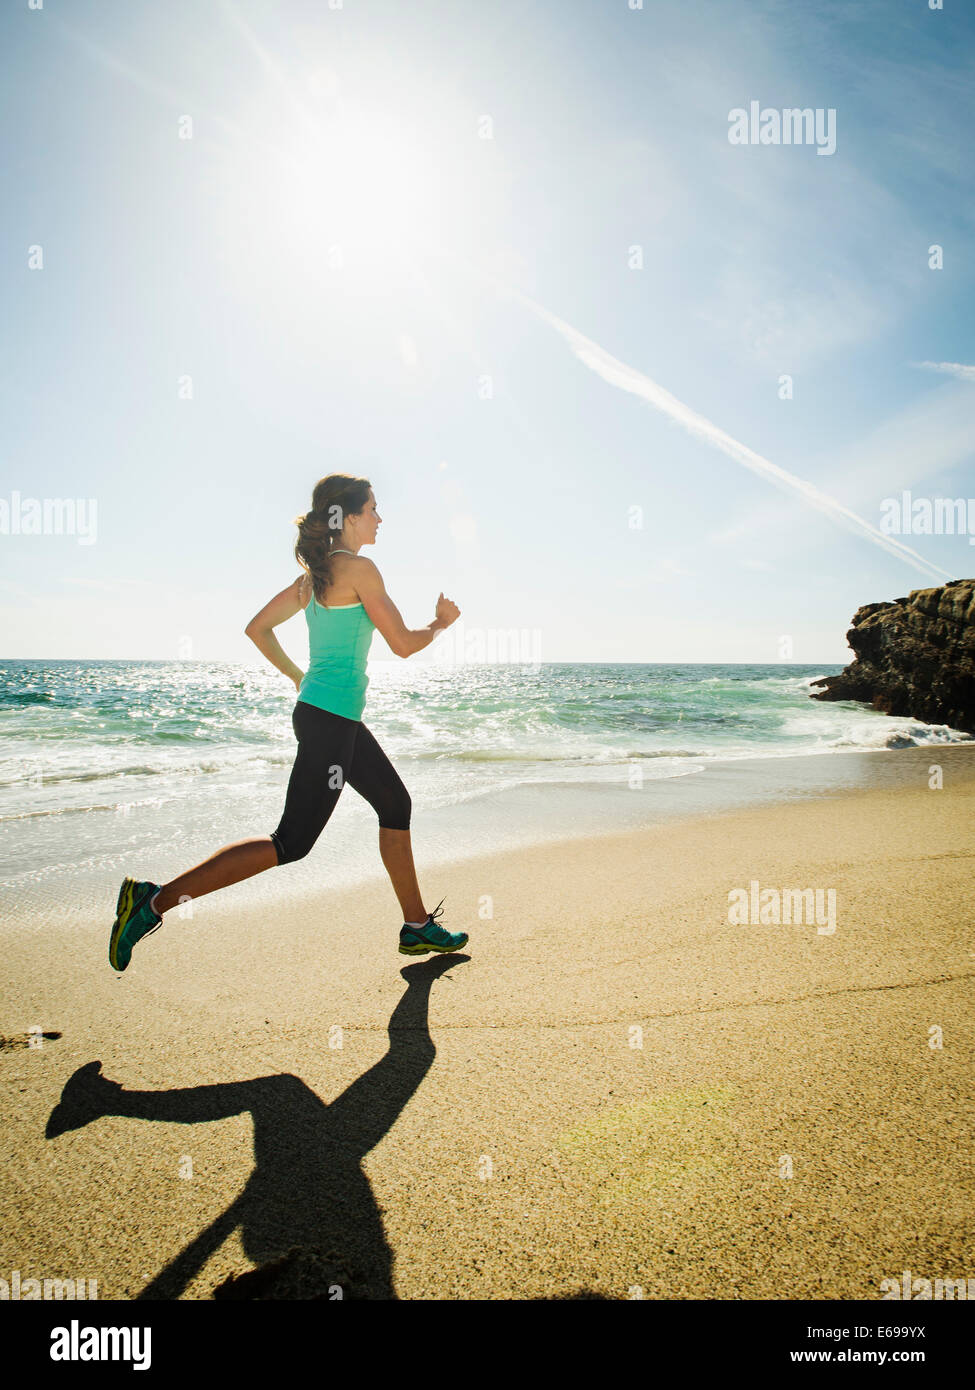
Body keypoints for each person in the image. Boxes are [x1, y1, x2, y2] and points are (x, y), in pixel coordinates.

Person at [109, 473, 469, 972]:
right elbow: (403, 645)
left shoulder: (314, 579)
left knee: (394, 801)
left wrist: (302, 678)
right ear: (348, 517)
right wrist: (440, 625)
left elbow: (256, 628)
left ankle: (416, 926)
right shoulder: (361, 570)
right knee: (291, 843)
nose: (380, 518)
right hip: (330, 723)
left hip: (329, 716)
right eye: (373, 509)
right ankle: (152, 902)